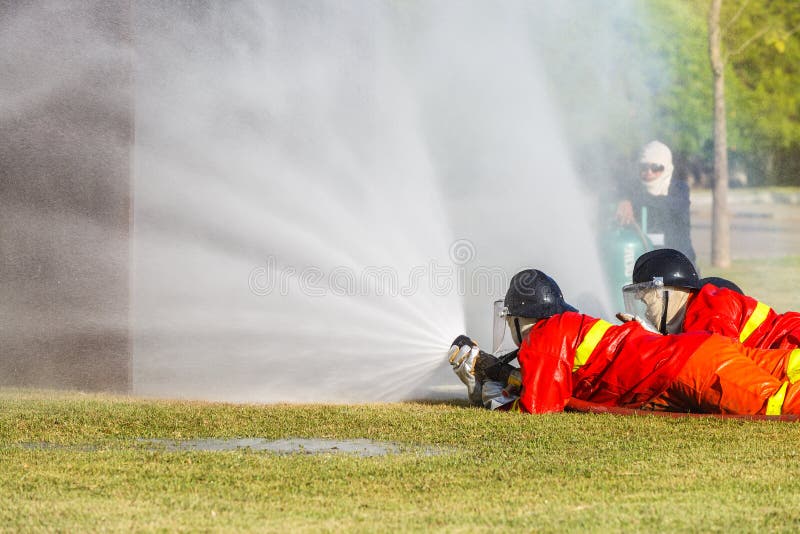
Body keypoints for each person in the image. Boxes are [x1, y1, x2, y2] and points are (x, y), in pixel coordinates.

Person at [449, 269, 800, 415]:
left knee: (777, 405)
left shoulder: (545, 335)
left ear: (517, 318)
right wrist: (497, 374)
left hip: (692, 367)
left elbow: (538, 407)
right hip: (701, 353)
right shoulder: (566, 327)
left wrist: (489, 395)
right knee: (790, 368)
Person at [624, 249, 800, 351]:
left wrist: (654, 343)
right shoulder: (697, 312)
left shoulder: (708, 309)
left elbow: (716, 363)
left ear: (668, 292)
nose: (646, 313)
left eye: (648, 303)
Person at [615, 141, 696, 264]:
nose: (649, 172)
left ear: (667, 167)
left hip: (678, 267)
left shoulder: (679, 189)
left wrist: (629, 200)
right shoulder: (634, 191)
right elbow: (612, 191)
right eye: (643, 167)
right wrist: (623, 199)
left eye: (656, 167)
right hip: (645, 267)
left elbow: (667, 205)